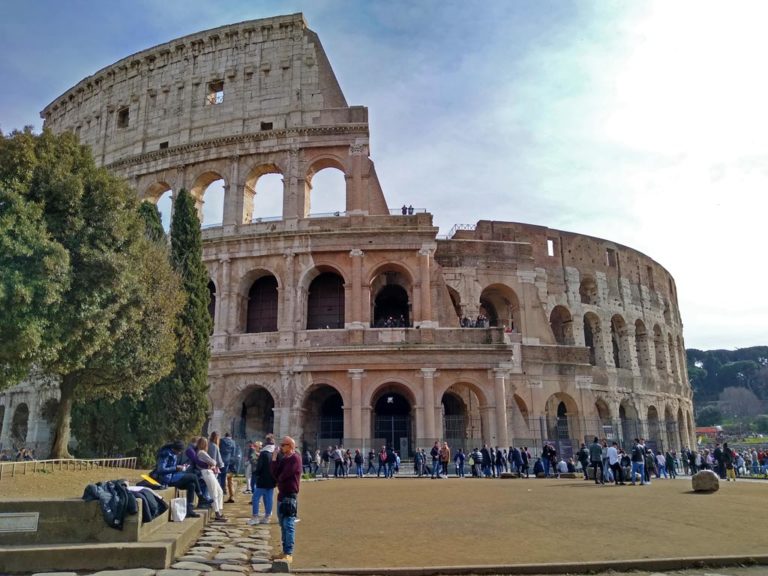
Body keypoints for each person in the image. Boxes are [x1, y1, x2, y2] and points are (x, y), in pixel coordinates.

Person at [150, 440, 205, 518]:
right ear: (175, 449)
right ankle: (201, 498)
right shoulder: (165, 454)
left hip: (172, 476)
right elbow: (160, 469)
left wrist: (182, 467)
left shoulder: (174, 453)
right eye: (180, 451)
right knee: (193, 477)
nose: (180, 453)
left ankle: (189, 510)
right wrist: (175, 468)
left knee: (191, 485)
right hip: (166, 479)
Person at [270, 436, 301, 563]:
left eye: (283, 445)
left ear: (290, 446)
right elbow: (274, 472)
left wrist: (278, 479)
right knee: (282, 524)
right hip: (282, 495)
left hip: (289, 494)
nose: (281, 447)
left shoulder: (295, 458)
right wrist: (274, 458)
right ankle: (284, 551)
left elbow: (284, 475)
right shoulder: (284, 459)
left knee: (288, 524)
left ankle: (289, 552)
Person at [195, 437, 228, 522]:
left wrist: (211, 463)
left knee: (219, 491)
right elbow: (213, 462)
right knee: (214, 493)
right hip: (207, 473)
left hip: (209, 472)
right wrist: (212, 463)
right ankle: (217, 513)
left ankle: (219, 511)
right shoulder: (201, 453)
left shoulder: (202, 452)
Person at [249, 433, 277, 525]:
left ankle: (255, 516)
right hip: (272, 479)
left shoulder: (264, 453)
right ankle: (267, 517)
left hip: (262, 479)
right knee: (269, 498)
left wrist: (256, 474)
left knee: (256, 497)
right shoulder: (275, 452)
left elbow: (259, 467)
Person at [219, 432, 237, 502]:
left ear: (225, 436)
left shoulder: (221, 441)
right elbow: (234, 453)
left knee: (222, 476)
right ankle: (232, 496)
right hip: (230, 462)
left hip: (222, 461)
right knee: (230, 479)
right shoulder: (233, 442)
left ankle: (223, 490)